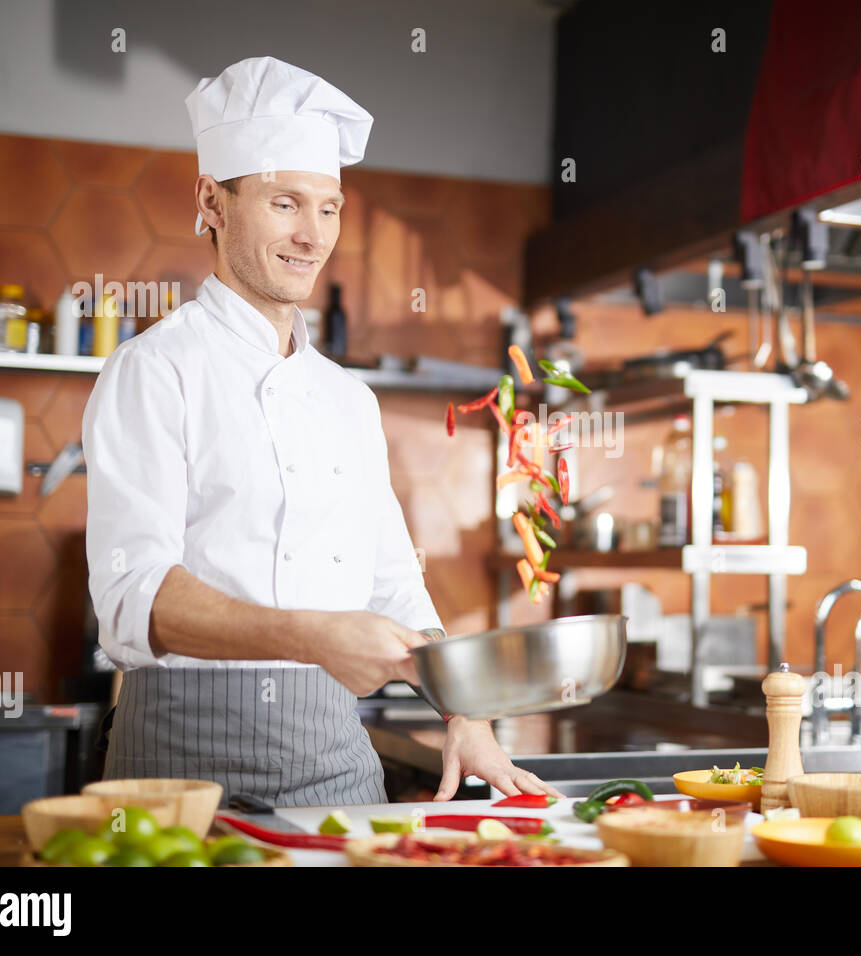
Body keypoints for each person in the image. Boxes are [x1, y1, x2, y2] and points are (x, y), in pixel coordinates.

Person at [82, 56, 563, 806]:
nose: (312, 235)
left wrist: (464, 711)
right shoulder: (153, 370)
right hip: (177, 766)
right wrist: (311, 637)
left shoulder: (348, 399)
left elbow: (394, 583)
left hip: (338, 764)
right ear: (212, 200)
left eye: (330, 208)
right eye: (284, 203)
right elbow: (133, 599)